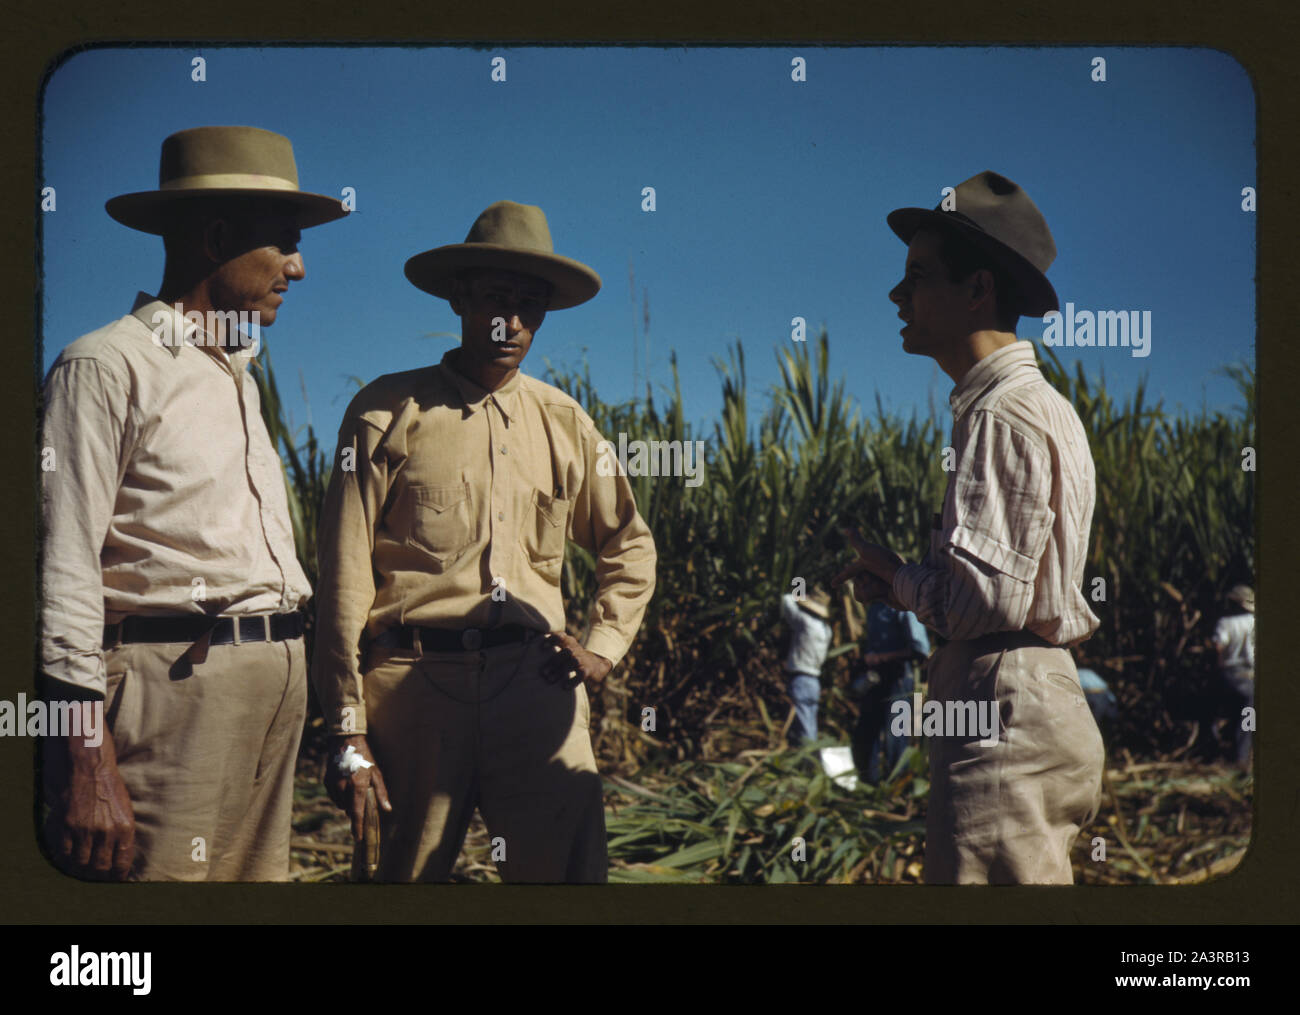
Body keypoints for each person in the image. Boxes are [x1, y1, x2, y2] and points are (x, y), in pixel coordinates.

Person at [312, 200, 657, 883]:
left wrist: (604, 648)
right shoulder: (387, 413)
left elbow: (629, 545)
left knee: (565, 880)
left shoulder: (565, 422)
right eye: (498, 297)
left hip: (536, 687)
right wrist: (347, 728)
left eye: (532, 304)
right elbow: (345, 571)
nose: (515, 321)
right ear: (460, 296)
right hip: (410, 692)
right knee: (400, 882)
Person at [40, 126, 348, 880]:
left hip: (269, 688)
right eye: (284, 244)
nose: (298, 269)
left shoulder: (237, 376)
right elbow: (61, 572)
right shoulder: (105, 365)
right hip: (169, 694)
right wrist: (85, 761)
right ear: (216, 237)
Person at [834, 171, 1105, 884]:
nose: (898, 296)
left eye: (917, 276)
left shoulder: (998, 412)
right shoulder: (1034, 404)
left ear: (979, 290)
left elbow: (981, 605)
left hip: (1001, 703)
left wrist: (895, 576)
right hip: (1022, 698)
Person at [850, 602, 929, 784]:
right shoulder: (875, 608)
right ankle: (870, 783)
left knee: (896, 733)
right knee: (868, 729)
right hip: (876, 677)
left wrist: (882, 658)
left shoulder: (903, 609)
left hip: (898, 677)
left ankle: (897, 784)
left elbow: (920, 649)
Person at [779, 588, 833, 746]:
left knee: (803, 723)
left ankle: (810, 761)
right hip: (814, 681)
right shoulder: (826, 630)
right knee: (810, 721)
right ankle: (811, 760)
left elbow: (786, 600)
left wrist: (799, 596)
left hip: (800, 678)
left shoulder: (804, 622)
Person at [1213, 584, 1254, 767]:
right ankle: (1243, 758)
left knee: (1215, 712)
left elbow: (1218, 647)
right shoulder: (1256, 622)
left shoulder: (1225, 623)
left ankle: (1216, 753)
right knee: (1248, 718)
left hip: (1229, 676)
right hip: (1251, 679)